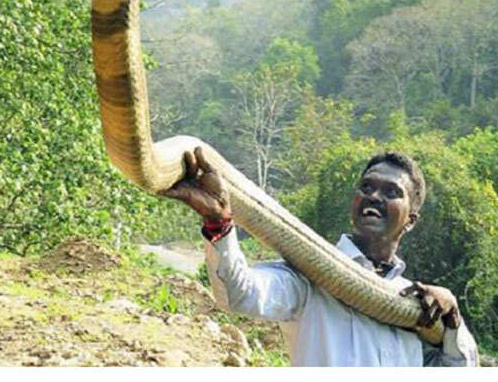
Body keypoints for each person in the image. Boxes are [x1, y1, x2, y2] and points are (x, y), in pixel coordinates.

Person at [163, 147, 479, 367]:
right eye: (366, 187)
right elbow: (239, 294)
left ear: (411, 220)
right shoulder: (309, 276)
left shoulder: (416, 304)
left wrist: (452, 317)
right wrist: (219, 224)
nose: (374, 196)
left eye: (391, 192)